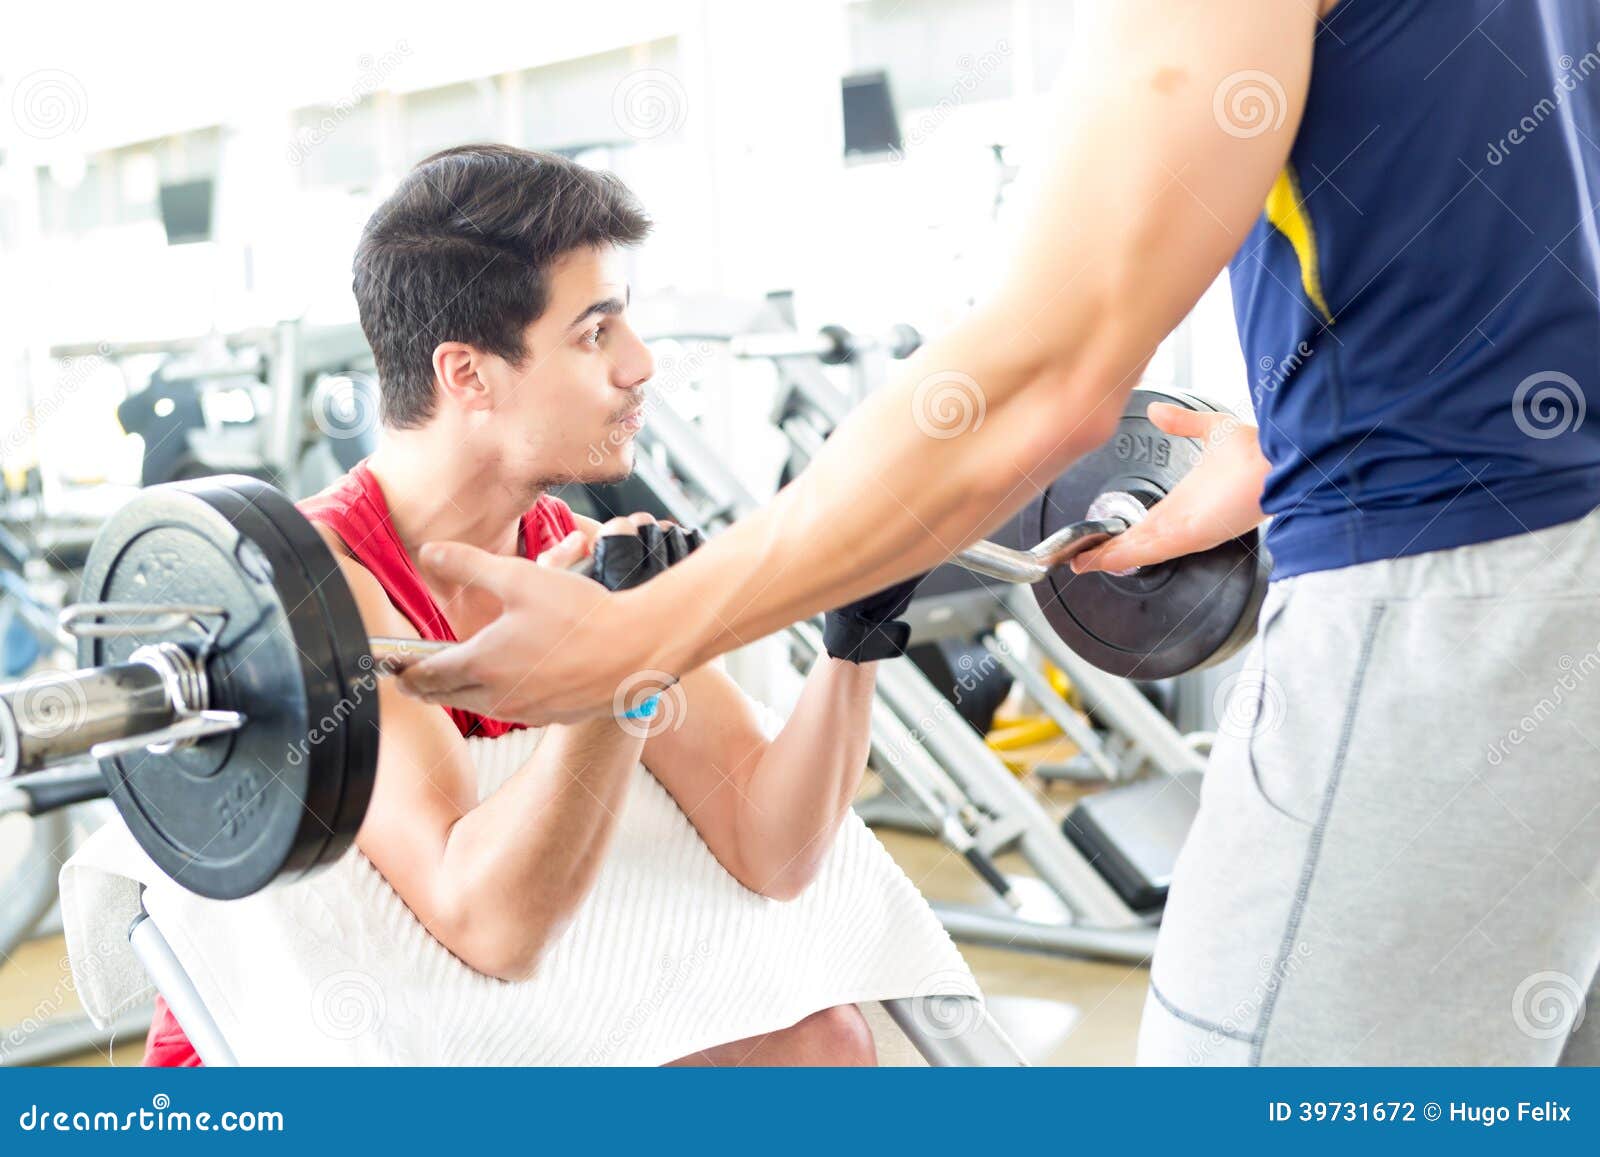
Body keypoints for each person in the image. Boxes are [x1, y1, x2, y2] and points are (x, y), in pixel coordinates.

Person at [397, 0, 1600, 1065]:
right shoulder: (358, 564)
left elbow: (1038, 385)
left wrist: (635, 644)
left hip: (1460, 601)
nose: (640, 364)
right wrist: (1296, 440)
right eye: (596, 331)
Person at [142, 143, 941, 1067]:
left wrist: (857, 638)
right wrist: (618, 670)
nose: (639, 365)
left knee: (827, 1047)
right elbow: (489, 923)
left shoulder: (575, 545)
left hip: (497, 1033)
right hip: (286, 1068)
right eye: (595, 333)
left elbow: (771, 846)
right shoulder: (323, 582)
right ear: (469, 374)